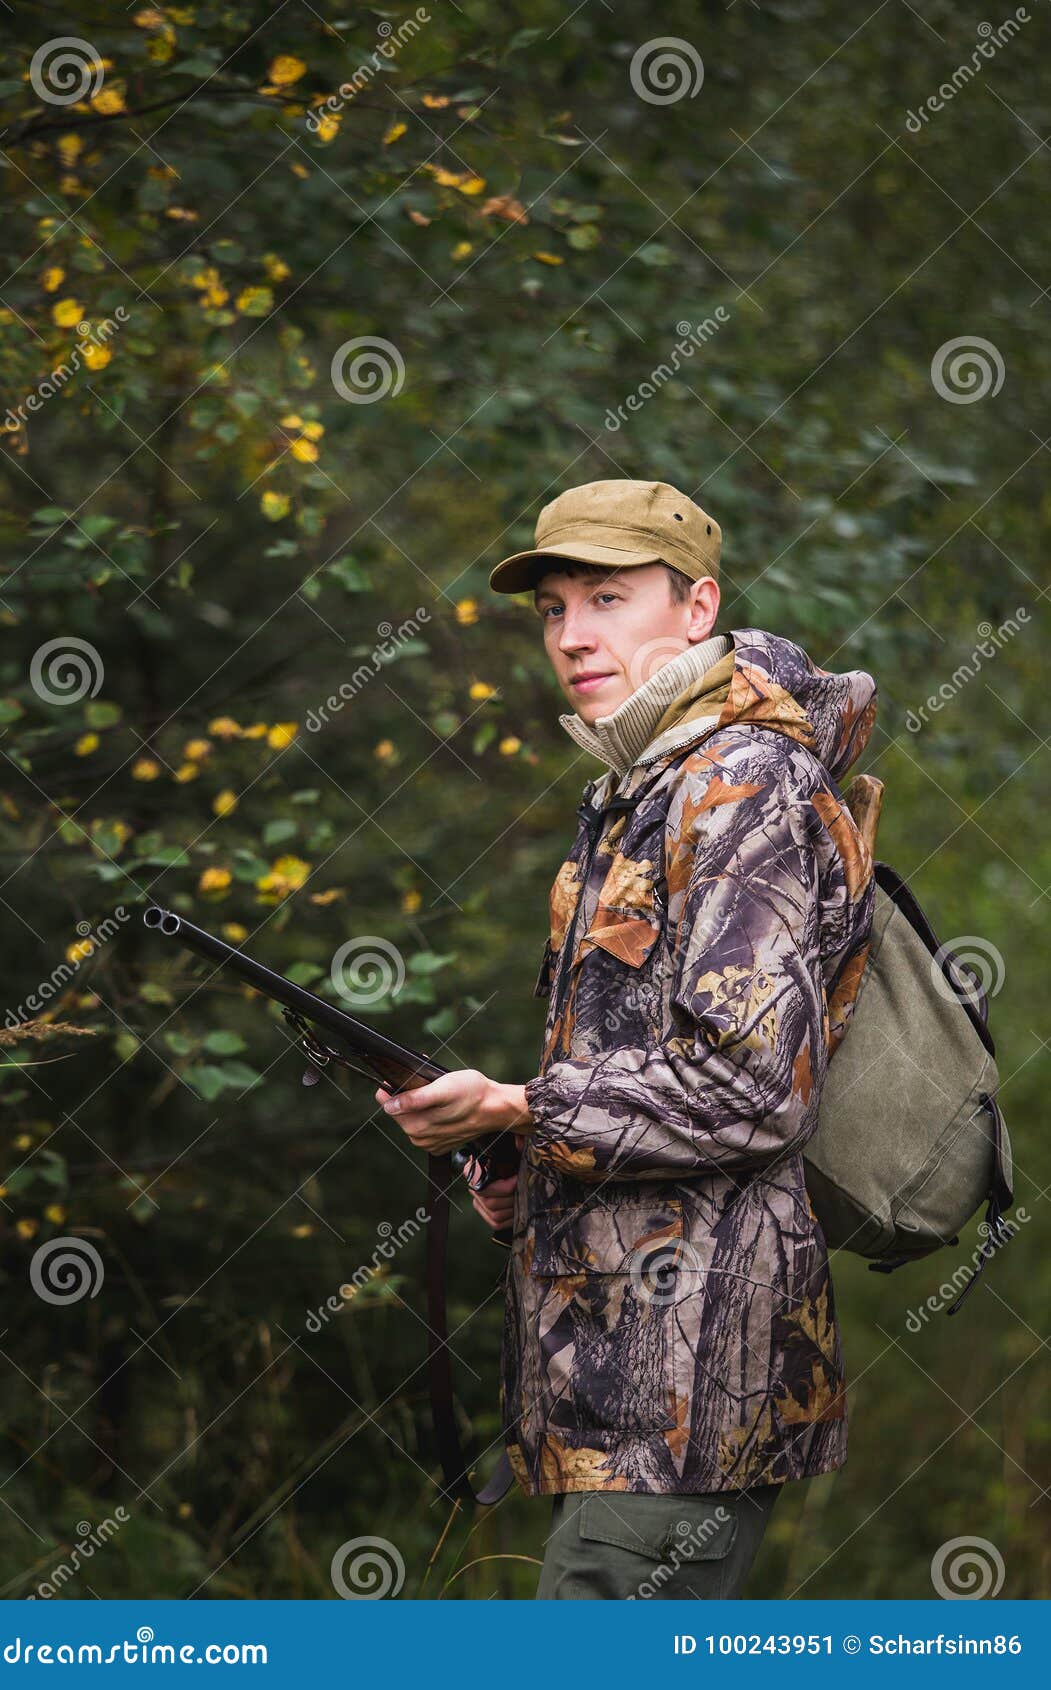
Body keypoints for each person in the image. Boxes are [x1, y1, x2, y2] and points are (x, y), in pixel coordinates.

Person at [376, 479, 877, 1599]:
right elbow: (638, 1068)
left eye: (607, 598)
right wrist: (524, 1156)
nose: (571, 635)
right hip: (618, 1379)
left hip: (695, 1380)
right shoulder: (642, 784)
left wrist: (524, 1104)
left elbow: (754, 1087)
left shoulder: (741, 782)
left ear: (696, 608)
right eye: (552, 608)